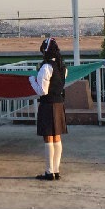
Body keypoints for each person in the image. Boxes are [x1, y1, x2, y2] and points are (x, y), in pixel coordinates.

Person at [28, 37, 67, 181]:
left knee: (48, 138)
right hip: (59, 103)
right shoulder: (62, 67)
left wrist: (32, 80)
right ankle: (56, 170)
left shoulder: (46, 67)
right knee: (57, 137)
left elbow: (42, 91)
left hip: (48, 104)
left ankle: (49, 172)